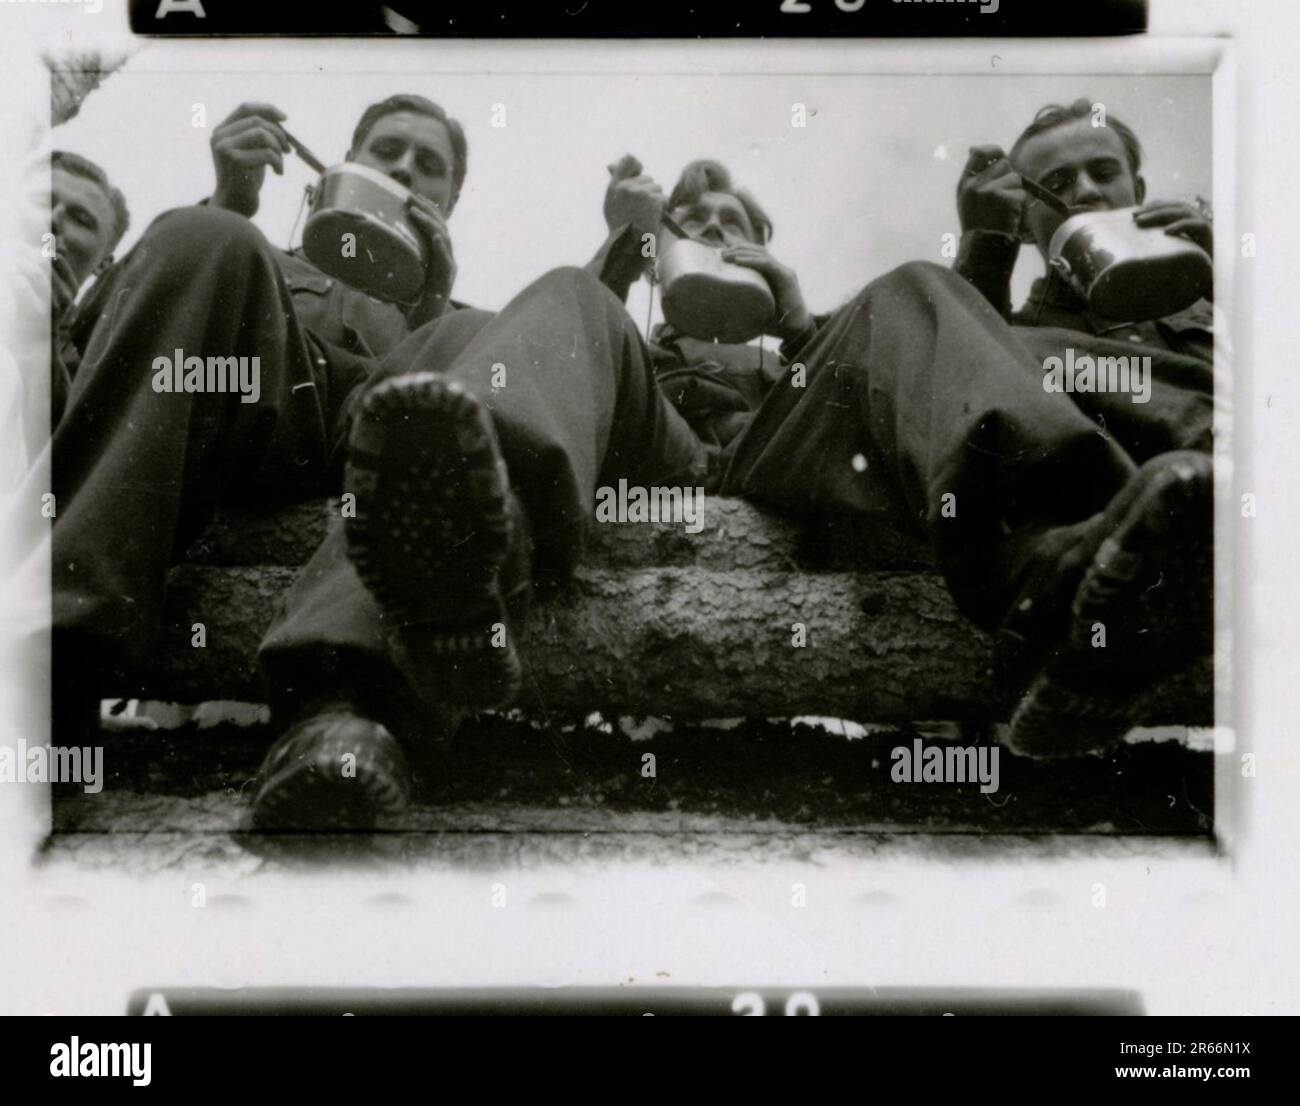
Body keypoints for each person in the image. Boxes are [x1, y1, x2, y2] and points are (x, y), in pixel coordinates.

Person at [251, 118, 1214, 831]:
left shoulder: (800, 332)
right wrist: (629, 248)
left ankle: (1064, 576)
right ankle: (465, 551)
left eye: (732, 221)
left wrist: (795, 321)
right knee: (569, 295)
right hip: (657, 441)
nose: (714, 231)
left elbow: (910, 374)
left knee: (913, 291)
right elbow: (572, 348)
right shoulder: (638, 327)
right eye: (692, 224)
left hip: (773, 446)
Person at [43, 94, 481, 734]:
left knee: (477, 341)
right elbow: (99, 342)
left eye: (429, 164)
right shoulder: (251, 257)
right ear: (344, 164)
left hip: (369, 439)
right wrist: (228, 202)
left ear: (450, 203)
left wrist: (429, 313)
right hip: (257, 401)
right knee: (201, 234)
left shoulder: (451, 320)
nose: (406, 169)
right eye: (386, 152)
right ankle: (58, 656)